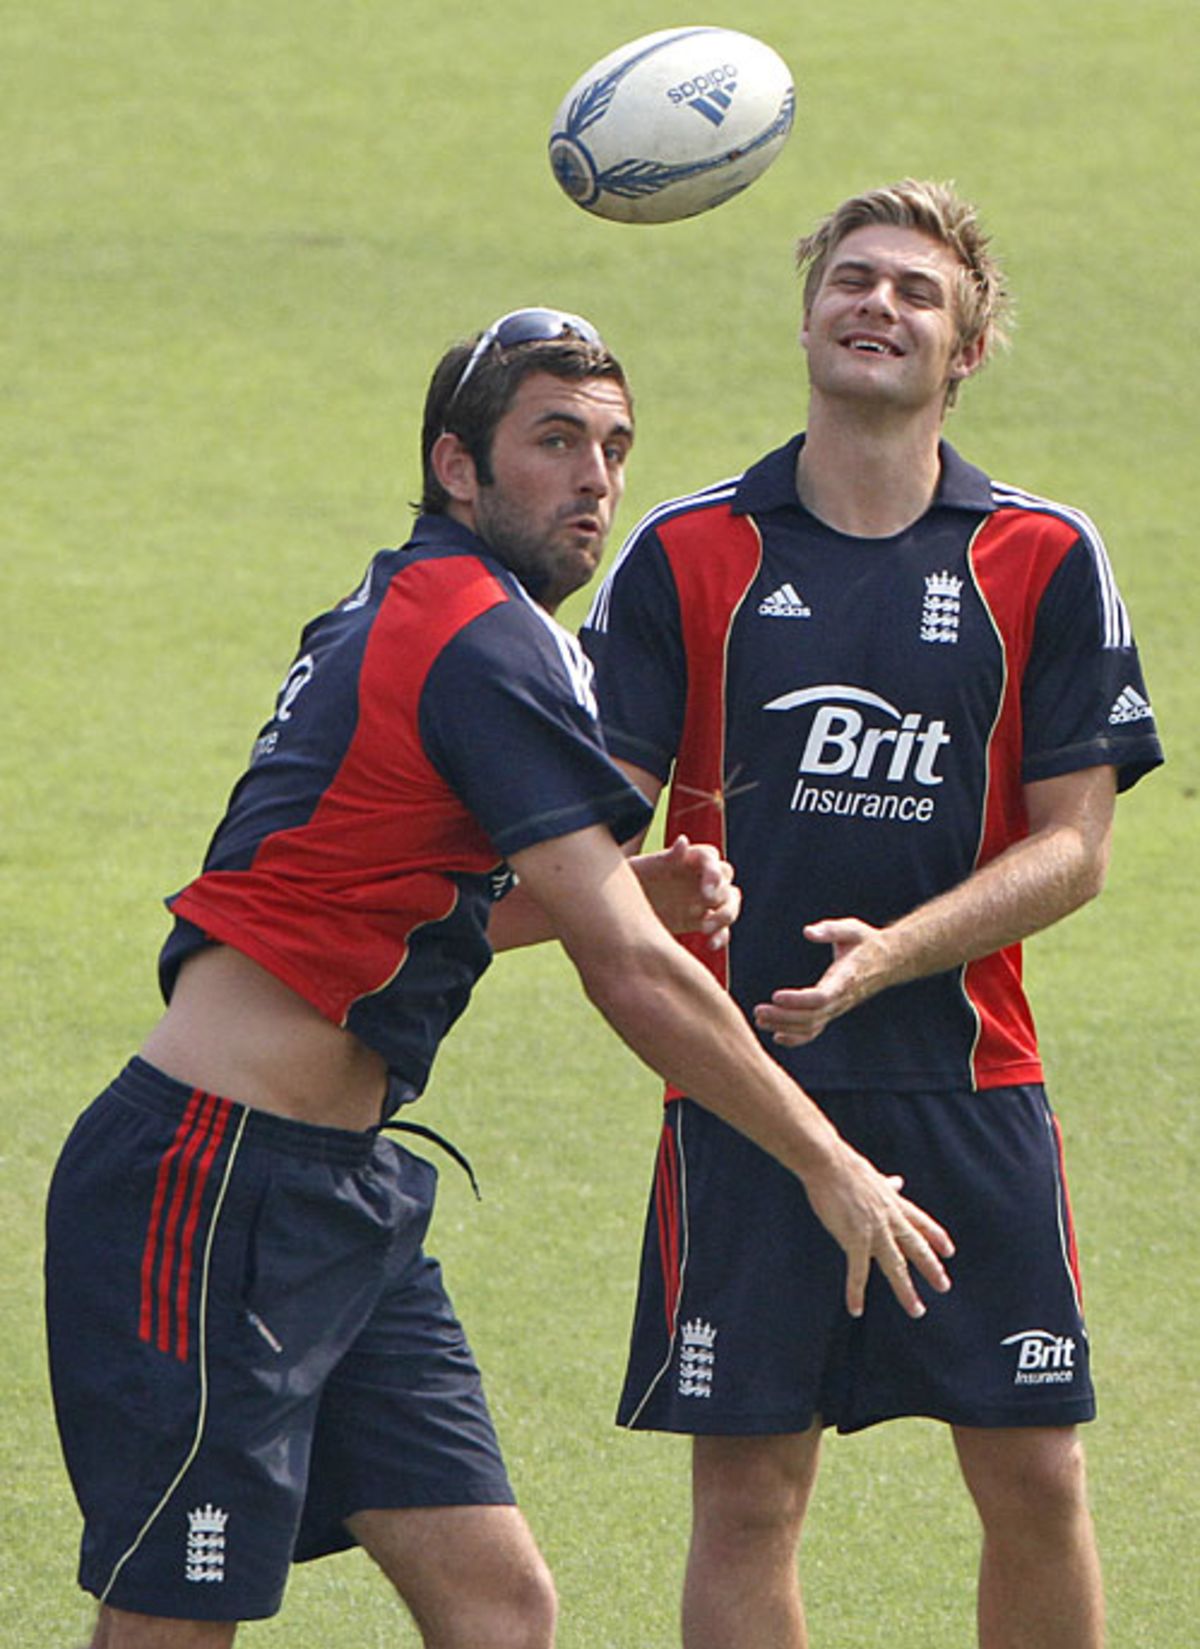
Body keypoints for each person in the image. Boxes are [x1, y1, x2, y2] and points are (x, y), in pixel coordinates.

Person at [45, 306, 956, 1649]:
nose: (595, 477)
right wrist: (823, 1155)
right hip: (212, 1179)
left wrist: (598, 896)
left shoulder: (411, 601)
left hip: (334, 1191)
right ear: (457, 466)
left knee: (498, 1600)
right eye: (553, 441)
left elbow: (364, 901)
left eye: (613, 445)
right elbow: (633, 976)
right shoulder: (483, 634)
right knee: (178, 1613)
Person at [581, 182, 1164, 1649]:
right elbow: (588, 839)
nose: (877, 305)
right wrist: (647, 887)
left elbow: (1075, 846)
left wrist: (892, 955)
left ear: (965, 349)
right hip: (744, 1087)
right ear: (807, 314)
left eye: (916, 290)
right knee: (753, 1491)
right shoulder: (686, 553)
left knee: (1036, 1473)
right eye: (852, 279)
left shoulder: (1044, 556)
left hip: (970, 1084)